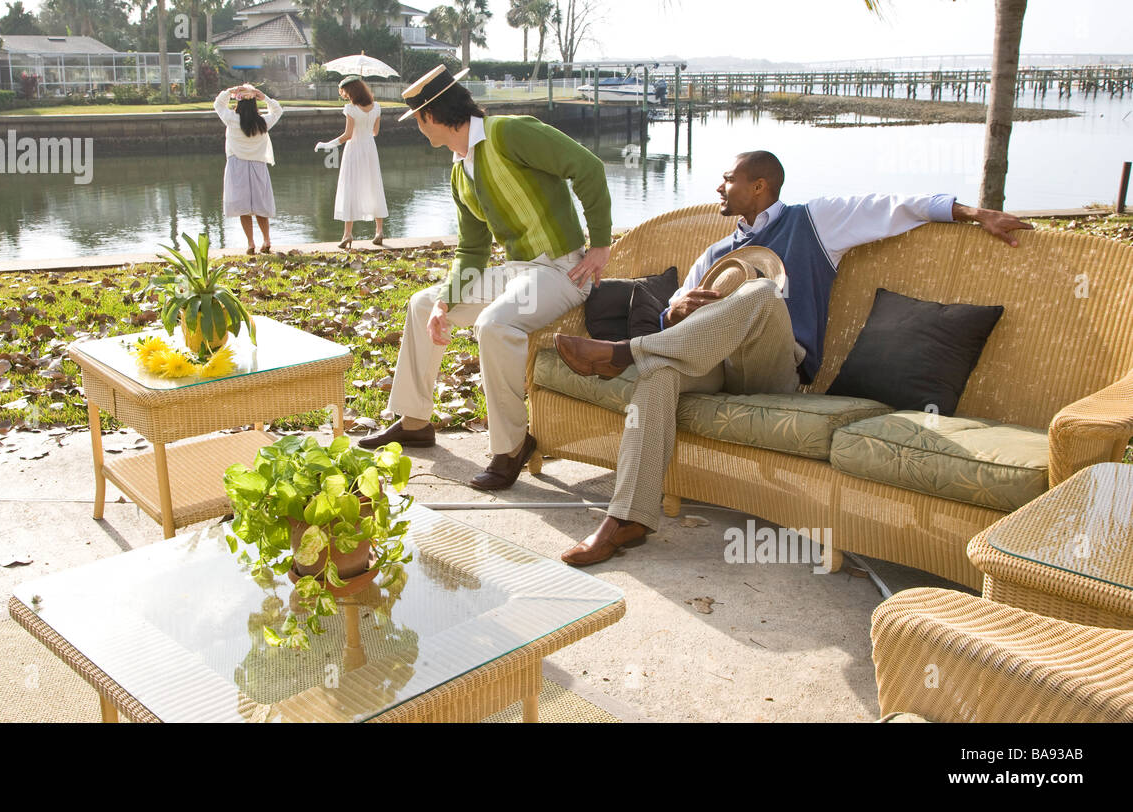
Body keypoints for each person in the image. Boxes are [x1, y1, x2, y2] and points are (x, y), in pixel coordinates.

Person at [553, 149, 1034, 566]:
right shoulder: (716, 252)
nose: (718, 186)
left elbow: (893, 207)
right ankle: (626, 520)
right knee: (658, 373)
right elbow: (677, 324)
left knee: (762, 291)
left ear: (759, 185)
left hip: (776, 369)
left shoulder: (815, 221)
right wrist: (673, 311)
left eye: (728, 179)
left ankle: (622, 354)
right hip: (715, 368)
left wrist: (973, 213)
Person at [357, 64, 613, 491]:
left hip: (563, 271)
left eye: (417, 121)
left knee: (495, 323)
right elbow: (472, 251)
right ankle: (416, 421)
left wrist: (601, 244)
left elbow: (587, 167)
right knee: (423, 303)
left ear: (429, 116)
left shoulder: (511, 132)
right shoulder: (460, 172)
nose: (420, 130)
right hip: (518, 273)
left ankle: (512, 446)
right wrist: (446, 301)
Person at [314, 76, 388, 249]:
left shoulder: (350, 109)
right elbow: (375, 132)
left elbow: (348, 135)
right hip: (370, 148)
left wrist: (328, 144)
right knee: (374, 185)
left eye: (345, 92)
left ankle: (347, 234)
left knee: (350, 187)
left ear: (352, 91)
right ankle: (379, 231)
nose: (344, 95)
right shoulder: (376, 107)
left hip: (354, 150)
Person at [214, 84, 283, 255]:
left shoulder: (232, 119)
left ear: (238, 104)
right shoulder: (262, 123)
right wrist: (263, 96)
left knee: (243, 208)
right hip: (258, 165)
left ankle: (251, 243)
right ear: (254, 105)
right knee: (260, 206)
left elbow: (218, 104)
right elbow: (277, 111)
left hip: (237, 165)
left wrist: (230, 91)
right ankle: (266, 240)